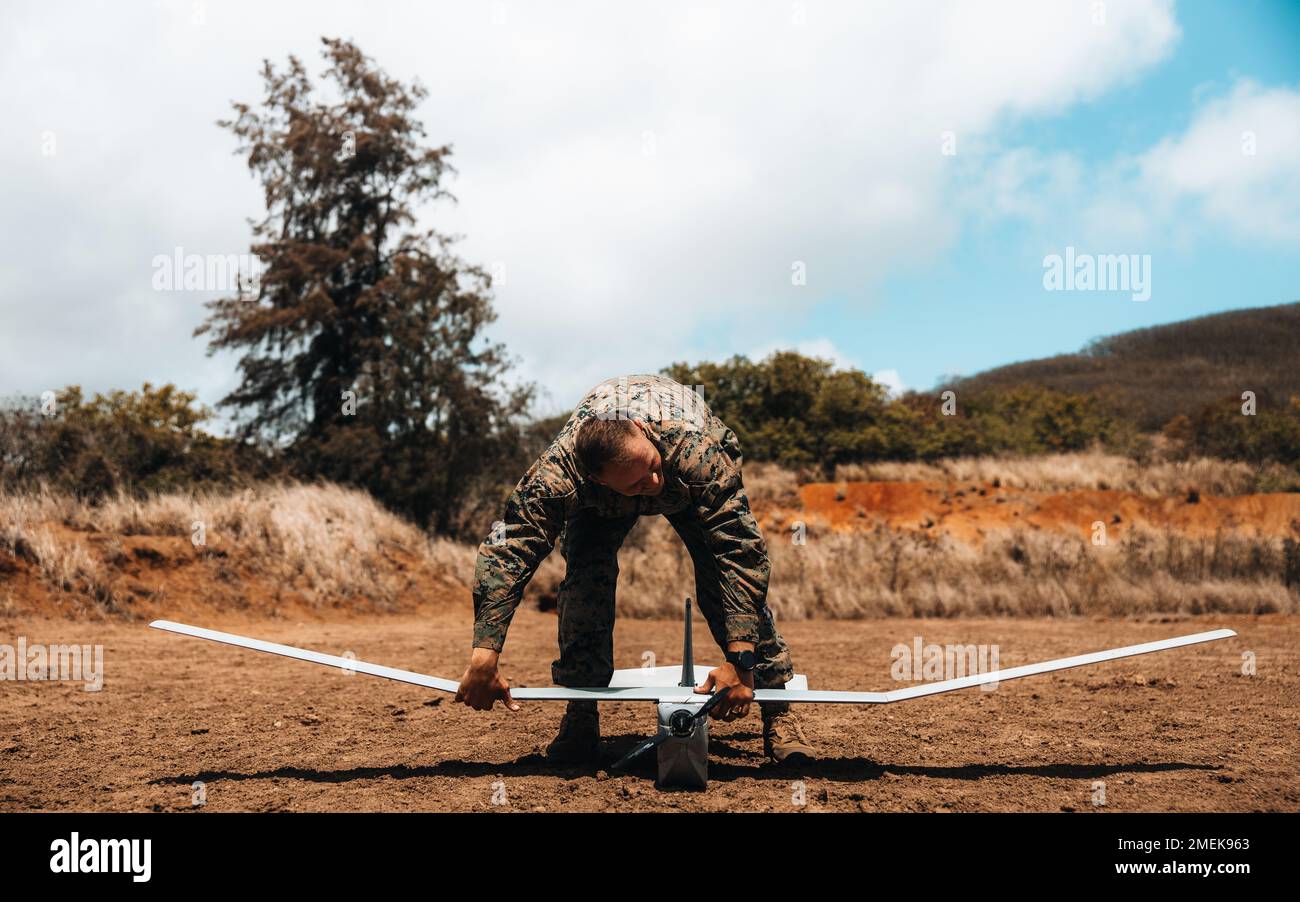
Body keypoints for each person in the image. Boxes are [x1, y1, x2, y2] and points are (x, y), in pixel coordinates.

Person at [454, 373, 815, 765]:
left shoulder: (695, 451)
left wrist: (742, 660)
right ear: (596, 479)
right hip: (599, 502)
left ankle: (779, 710)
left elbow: (740, 551)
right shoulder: (558, 479)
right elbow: (509, 553)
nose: (654, 482)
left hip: (689, 484)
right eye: (638, 484)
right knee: (584, 584)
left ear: (644, 431)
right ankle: (580, 712)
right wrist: (484, 655)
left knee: (719, 576)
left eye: (652, 467)